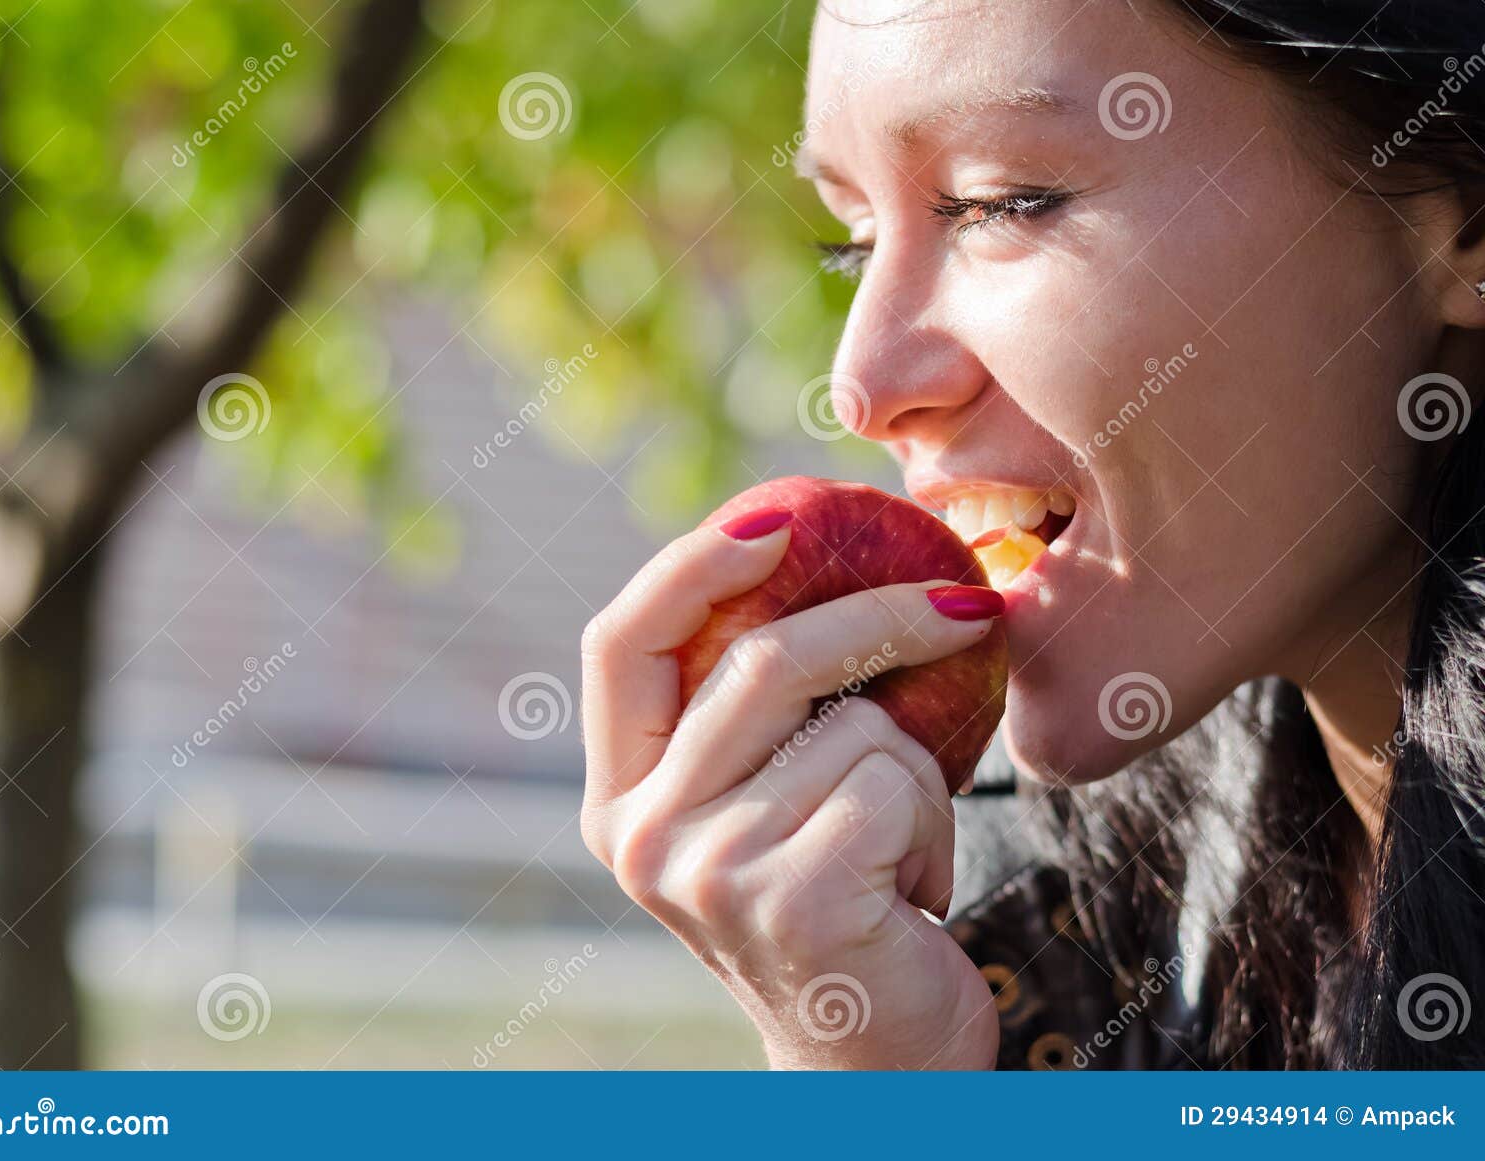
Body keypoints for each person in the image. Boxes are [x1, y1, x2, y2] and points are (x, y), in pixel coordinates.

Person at [580, 0, 1485, 1068]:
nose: (861, 385)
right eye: (850, 242)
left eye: (1000, 203)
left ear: (1461, 215)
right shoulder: (1029, 930)